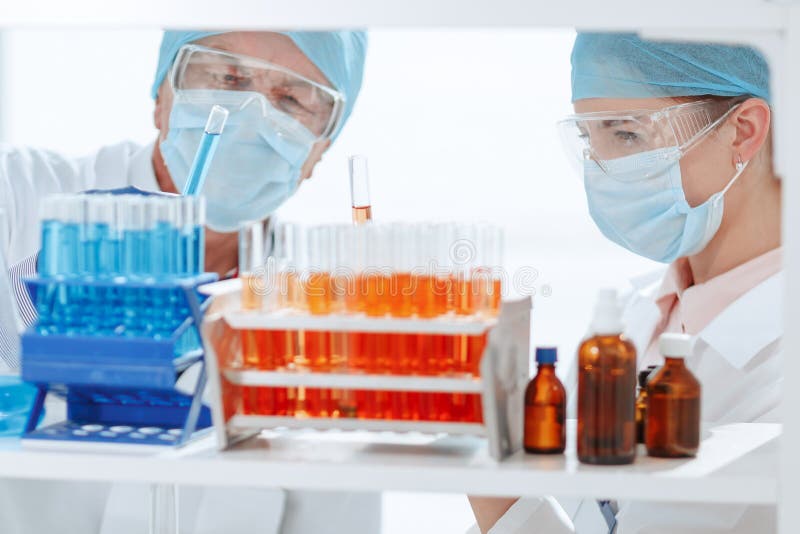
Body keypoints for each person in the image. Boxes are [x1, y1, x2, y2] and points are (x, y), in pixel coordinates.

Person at [0, 30, 378, 534]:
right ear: (163, 96)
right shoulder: (20, 200)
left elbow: (338, 519)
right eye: (226, 77)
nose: (251, 115)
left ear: (321, 147)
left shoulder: (324, 321)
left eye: (292, 98)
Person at [469, 32, 781, 533]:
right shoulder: (632, 321)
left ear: (742, 130)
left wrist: (492, 482)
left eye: (627, 136)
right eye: (591, 141)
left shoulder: (784, 367)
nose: (603, 171)